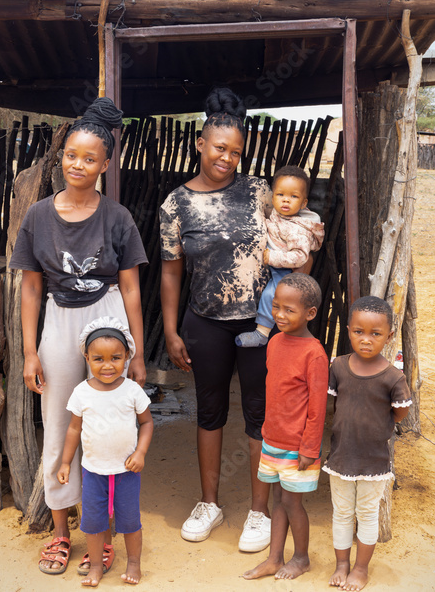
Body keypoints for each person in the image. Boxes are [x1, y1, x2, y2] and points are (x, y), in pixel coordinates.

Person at [9, 97, 148, 577]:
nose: (78, 165)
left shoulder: (117, 217)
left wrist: (138, 351)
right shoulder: (38, 217)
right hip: (59, 322)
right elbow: (30, 286)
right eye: (72, 155)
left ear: (105, 165)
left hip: (109, 317)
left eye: (90, 158)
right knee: (58, 426)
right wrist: (31, 351)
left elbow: (130, 286)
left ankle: (101, 533)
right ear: (61, 155)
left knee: (112, 424)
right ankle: (61, 532)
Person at [159, 87, 276, 552]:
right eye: (219, 147)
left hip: (259, 325)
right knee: (209, 413)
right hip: (205, 322)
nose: (227, 157)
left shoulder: (258, 191)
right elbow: (171, 271)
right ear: (200, 144)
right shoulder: (176, 205)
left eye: (235, 151)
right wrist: (170, 329)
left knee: (258, 416)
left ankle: (259, 510)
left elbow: (285, 244)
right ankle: (210, 503)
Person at [241, 272, 329, 581]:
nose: (279, 314)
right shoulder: (275, 342)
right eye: (276, 306)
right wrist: (267, 432)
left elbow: (318, 408)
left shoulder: (314, 353)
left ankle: (301, 557)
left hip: (297, 445)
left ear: (310, 314)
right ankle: (274, 558)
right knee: (278, 499)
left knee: (292, 502)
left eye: (289, 310)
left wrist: (309, 447)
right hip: (272, 439)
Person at [323, 296, 412, 591]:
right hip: (341, 457)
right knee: (342, 513)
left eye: (375, 334)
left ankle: (361, 569)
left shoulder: (393, 377)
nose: (365, 340)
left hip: (374, 461)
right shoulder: (338, 367)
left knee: (367, 514)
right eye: (358, 332)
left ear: (389, 336)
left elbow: (400, 414)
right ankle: (342, 565)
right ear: (348, 331)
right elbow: (334, 402)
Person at [58, 317, 154, 587]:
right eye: (98, 359)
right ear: (86, 357)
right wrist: (66, 463)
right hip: (93, 471)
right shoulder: (81, 393)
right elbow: (73, 430)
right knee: (94, 523)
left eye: (116, 357)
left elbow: (146, 423)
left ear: (127, 357)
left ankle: (134, 563)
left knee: (130, 522)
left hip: (127, 470)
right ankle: (97, 566)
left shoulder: (132, 391)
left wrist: (141, 452)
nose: (108, 365)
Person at [235, 166, 324, 347]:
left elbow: (300, 258)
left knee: (271, 295)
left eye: (294, 196)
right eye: (280, 195)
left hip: (284, 269)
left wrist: (271, 258)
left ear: (304, 203)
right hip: (274, 264)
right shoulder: (278, 213)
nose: (285, 200)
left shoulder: (299, 229)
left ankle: (262, 333)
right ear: (272, 196)